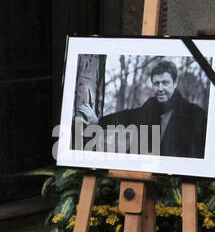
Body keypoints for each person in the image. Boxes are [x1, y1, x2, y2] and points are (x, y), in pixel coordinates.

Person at [76, 59, 208, 158]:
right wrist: (98, 121)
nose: (160, 88)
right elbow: (125, 117)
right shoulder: (150, 108)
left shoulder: (194, 113)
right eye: (156, 83)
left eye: (165, 83)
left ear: (175, 83)